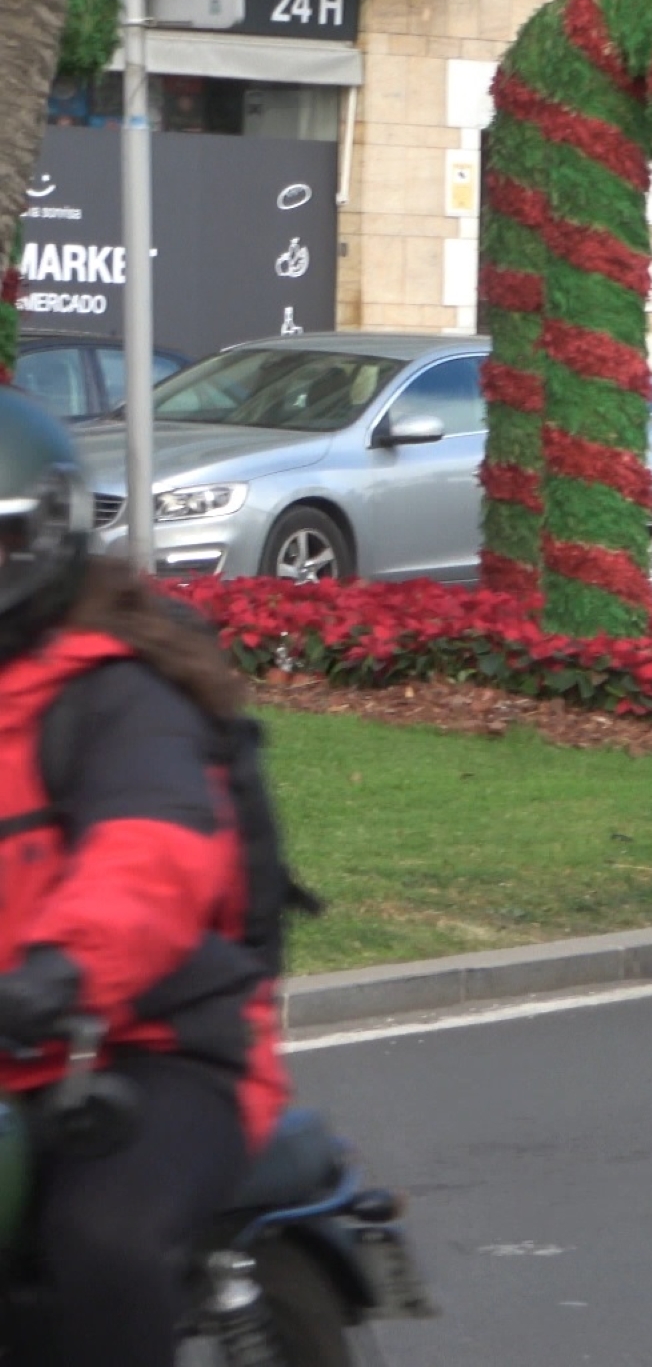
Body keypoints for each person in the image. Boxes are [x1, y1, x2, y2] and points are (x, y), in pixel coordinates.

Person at [0, 388, 289, 1366]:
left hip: (147, 1043)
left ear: (47, 539)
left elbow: (151, 852)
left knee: (103, 1247)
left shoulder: (122, 693)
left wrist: (61, 970)